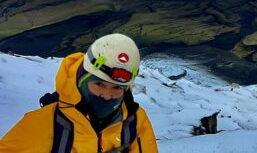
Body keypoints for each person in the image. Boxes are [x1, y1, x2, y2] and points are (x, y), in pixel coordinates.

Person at [0, 33, 158, 152]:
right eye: (99, 84)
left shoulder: (134, 121)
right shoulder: (44, 124)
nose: (106, 95)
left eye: (117, 88)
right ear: (82, 81)